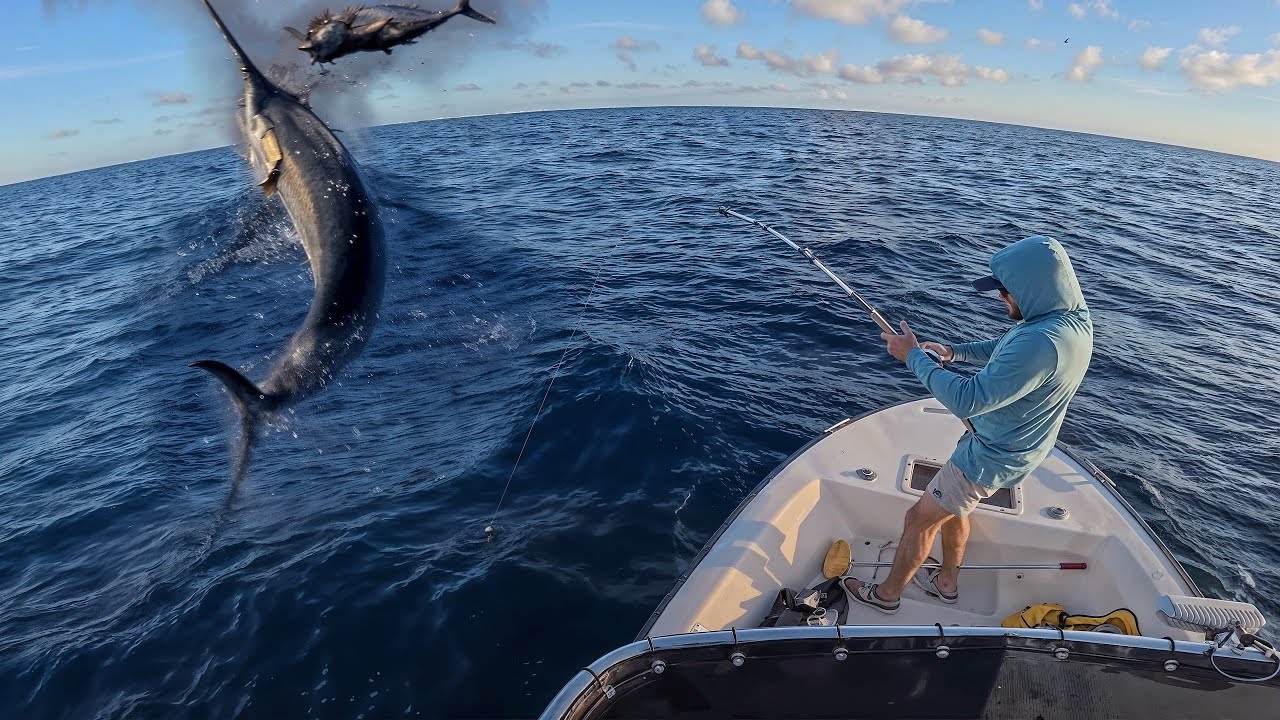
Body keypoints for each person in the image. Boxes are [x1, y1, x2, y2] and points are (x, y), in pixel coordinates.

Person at [842, 235, 1093, 614]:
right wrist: (952, 352)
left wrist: (912, 357)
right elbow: (1008, 346)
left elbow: (966, 399)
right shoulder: (1067, 321)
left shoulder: (1043, 344)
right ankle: (947, 584)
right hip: (1010, 443)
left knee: (919, 520)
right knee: (954, 510)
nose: (1000, 297)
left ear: (1032, 288)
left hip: (991, 455)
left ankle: (886, 597)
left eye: (1006, 290)